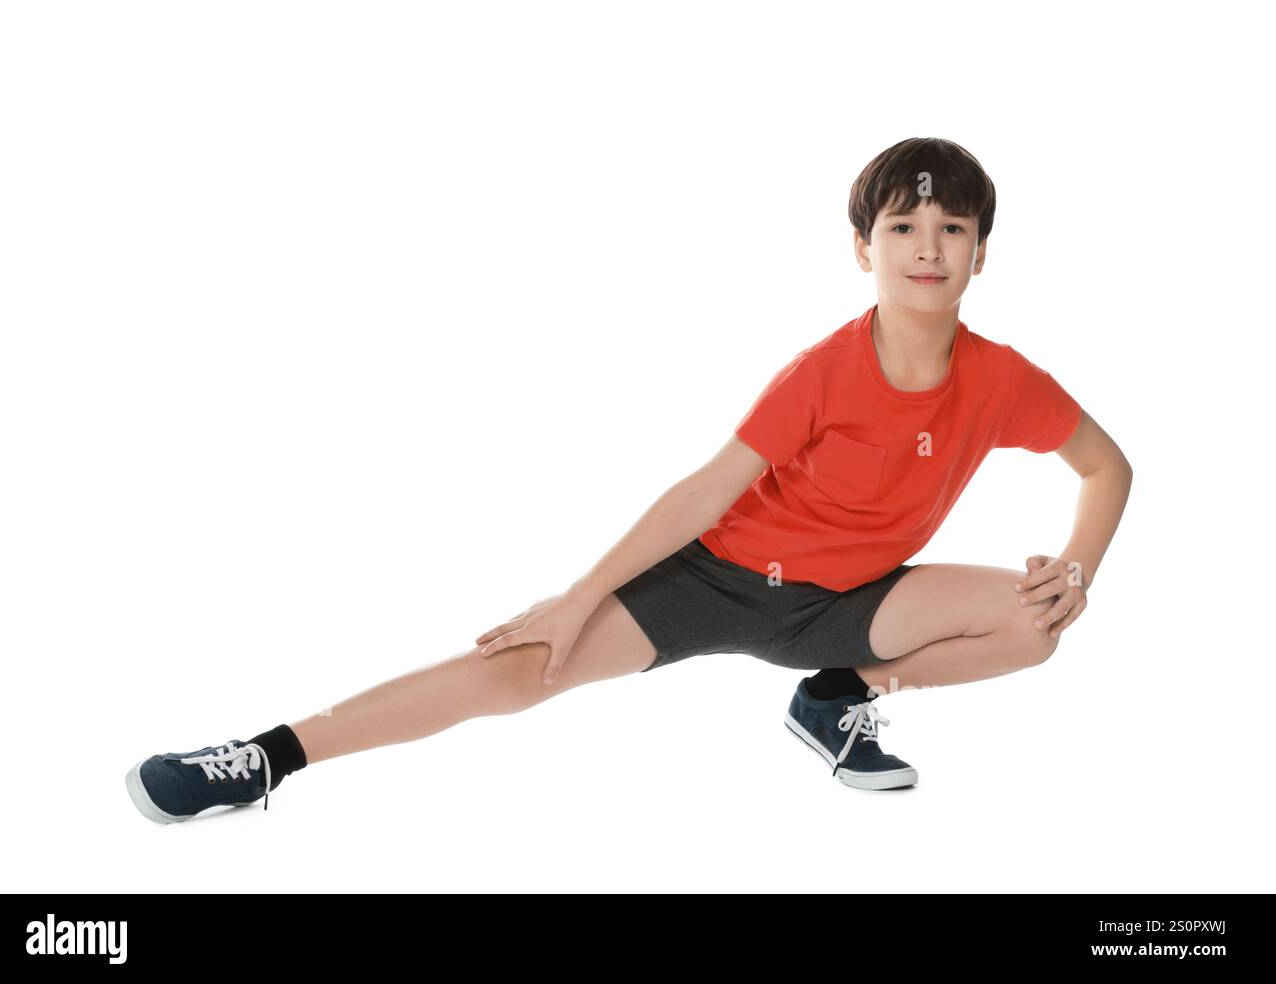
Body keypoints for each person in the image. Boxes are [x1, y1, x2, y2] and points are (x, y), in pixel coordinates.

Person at [125, 136, 1133, 823]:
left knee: (1032, 626)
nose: (927, 249)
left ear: (981, 254)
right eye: (904, 229)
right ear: (861, 248)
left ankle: (838, 700)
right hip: (720, 579)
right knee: (519, 673)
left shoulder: (1003, 380)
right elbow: (700, 493)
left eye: (950, 230)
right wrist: (575, 601)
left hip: (853, 605)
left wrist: (1076, 569)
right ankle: (264, 757)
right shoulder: (826, 370)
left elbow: (1105, 465)